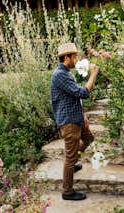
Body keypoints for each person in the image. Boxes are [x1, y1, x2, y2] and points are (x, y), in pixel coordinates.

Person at [51, 42, 99, 201]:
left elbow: (74, 96)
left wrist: (83, 114)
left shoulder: (67, 73)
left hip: (77, 117)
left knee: (88, 139)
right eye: (74, 56)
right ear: (66, 57)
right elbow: (82, 92)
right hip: (69, 121)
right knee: (70, 157)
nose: (77, 59)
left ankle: (73, 164)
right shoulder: (60, 75)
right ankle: (67, 191)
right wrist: (93, 74)